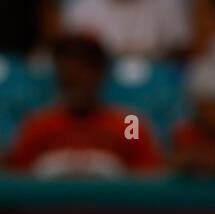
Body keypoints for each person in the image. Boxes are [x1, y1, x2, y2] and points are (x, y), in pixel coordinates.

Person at [6, 34, 162, 176]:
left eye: (81, 75)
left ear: (100, 74)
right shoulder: (38, 125)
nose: (73, 80)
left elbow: (148, 180)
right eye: (67, 78)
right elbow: (17, 179)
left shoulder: (129, 125)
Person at [61, 0, 192, 59]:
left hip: (156, 83)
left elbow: (182, 49)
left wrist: (155, 54)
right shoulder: (82, 9)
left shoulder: (166, 4)